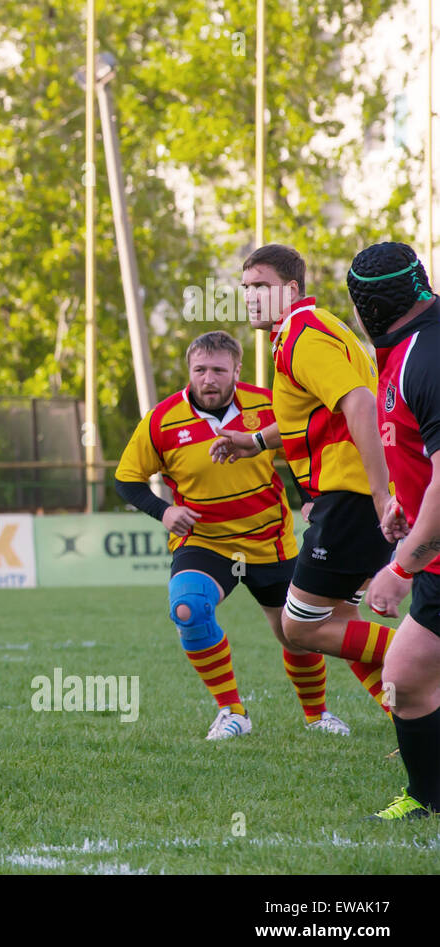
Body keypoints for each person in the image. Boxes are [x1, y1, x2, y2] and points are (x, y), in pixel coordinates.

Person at [115, 331, 348, 739]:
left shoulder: (267, 404)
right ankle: (232, 711)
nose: (208, 379)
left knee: (297, 633)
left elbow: (301, 448)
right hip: (206, 543)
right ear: (189, 370)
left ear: (236, 371)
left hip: (269, 541)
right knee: (187, 608)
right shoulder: (162, 419)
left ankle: (317, 716)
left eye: (218, 370)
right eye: (200, 370)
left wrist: (310, 496)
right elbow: (126, 479)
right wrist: (165, 511)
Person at [211, 244, 396, 719]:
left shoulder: (303, 338)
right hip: (351, 494)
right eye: (247, 287)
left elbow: (359, 403)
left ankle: (422, 659)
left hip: (351, 498)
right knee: (338, 618)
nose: (251, 297)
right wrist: (256, 441)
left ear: (291, 289)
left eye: (262, 287)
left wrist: (378, 496)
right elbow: (316, 414)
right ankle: (408, 712)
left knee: (299, 628)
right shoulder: (320, 325)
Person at [349, 242, 440, 819]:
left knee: (405, 674)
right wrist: (403, 504)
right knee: (405, 678)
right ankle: (427, 800)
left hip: (427, 559)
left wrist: (399, 568)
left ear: (373, 305)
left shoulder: (427, 356)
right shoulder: (403, 350)